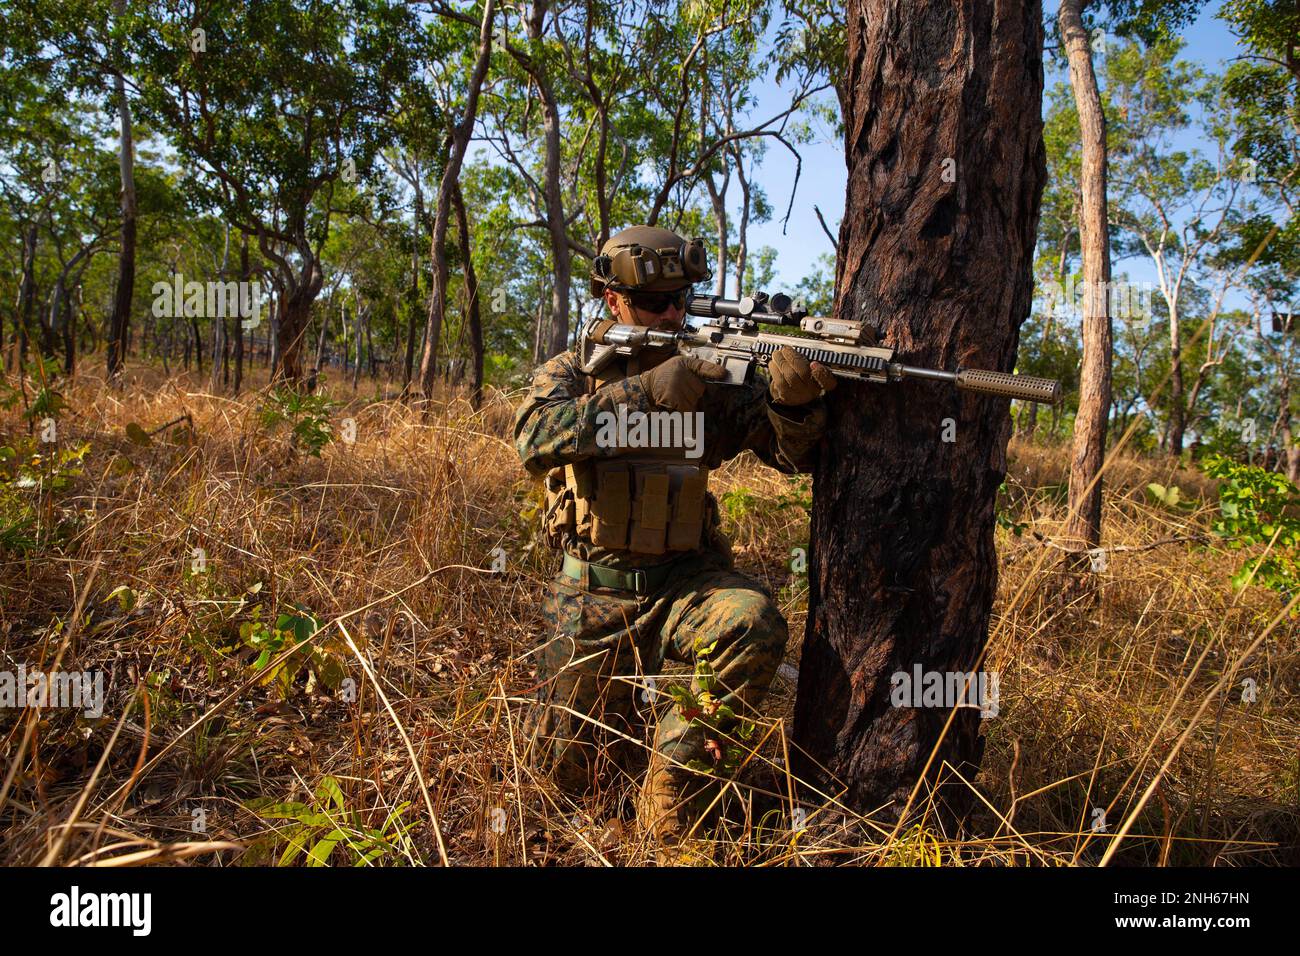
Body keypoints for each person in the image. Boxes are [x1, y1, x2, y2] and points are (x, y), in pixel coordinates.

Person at [513, 224, 835, 862]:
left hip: (683, 585)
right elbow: (535, 441)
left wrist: (795, 405)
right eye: (655, 302)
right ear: (612, 302)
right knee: (556, 786)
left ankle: (674, 794)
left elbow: (794, 459)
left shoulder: (711, 375)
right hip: (594, 593)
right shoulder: (574, 369)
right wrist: (648, 392)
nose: (672, 313)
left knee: (753, 621)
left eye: (682, 300)